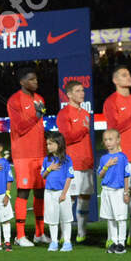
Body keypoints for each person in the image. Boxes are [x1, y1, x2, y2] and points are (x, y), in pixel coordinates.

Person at [102, 66, 131, 245]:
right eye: (123, 75)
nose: (128, 77)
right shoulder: (111, 101)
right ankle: (111, 237)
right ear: (115, 80)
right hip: (120, 156)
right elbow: (112, 130)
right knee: (116, 194)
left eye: (129, 73)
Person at [7, 67, 48, 246]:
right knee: (23, 192)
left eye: (36, 79)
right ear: (22, 82)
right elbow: (19, 127)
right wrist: (36, 115)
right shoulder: (14, 100)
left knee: (41, 192)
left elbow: (39, 126)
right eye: (31, 79)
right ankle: (20, 236)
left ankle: (39, 233)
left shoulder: (40, 99)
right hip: (23, 154)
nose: (35, 82)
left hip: (40, 153)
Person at [57, 80, 96, 243]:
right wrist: (82, 129)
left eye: (82, 90)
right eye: (78, 91)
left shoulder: (86, 114)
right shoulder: (64, 114)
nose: (82, 93)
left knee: (85, 197)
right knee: (69, 198)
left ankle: (81, 233)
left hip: (86, 161)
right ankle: (63, 234)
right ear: (69, 95)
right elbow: (65, 138)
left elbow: (86, 139)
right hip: (72, 162)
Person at [96, 128, 130, 254]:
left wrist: (126, 192)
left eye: (111, 139)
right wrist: (107, 165)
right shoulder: (104, 158)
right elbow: (100, 174)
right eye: (105, 140)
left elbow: (126, 175)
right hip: (106, 191)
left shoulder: (123, 157)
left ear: (118, 140)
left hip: (118, 191)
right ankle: (114, 242)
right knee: (110, 218)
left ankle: (121, 243)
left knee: (120, 218)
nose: (108, 142)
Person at [40, 131, 75, 253]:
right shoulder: (47, 160)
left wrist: (64, 193)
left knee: (66, 218)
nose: (48, 146)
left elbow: (69, 177)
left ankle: (67, 242)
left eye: (50, 144)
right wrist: (50, 168)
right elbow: (43, 176)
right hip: (49, 193)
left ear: (59, 144)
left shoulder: (66, 160)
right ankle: (54, 242)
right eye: (47, 144)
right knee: (52, 218)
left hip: (62, 192)